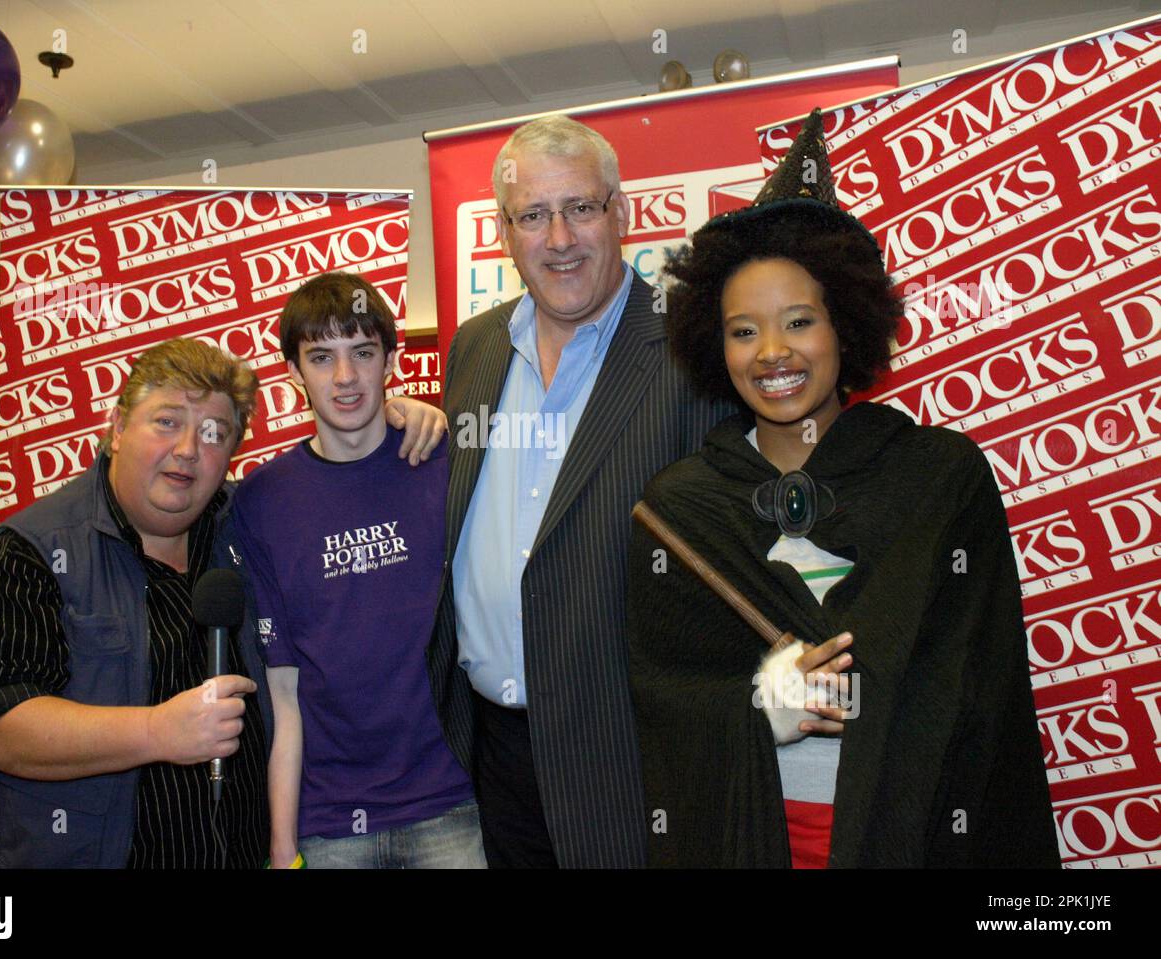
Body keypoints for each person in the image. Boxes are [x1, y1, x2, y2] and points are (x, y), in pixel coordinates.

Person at [626, 110, 1060, 868]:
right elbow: (663, 701)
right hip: (749, 833)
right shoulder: (681, 508)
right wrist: (762, 704)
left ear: (846, 328)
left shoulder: (937, 479)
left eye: (799, 321)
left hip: (912, 835)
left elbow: (978, 694)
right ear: (711, 342)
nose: (772, 353)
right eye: (742, 330)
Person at [0, 337, 445, 868]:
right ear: (116, 429)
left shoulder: (248, 525)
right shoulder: (31, 550)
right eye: (167, 422)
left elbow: (338, 490)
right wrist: (156, 732)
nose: (187, 449)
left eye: (213, 433)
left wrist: (395, 419)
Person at [432, 114, 734, 867]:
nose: (559, 238)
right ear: (505, 232)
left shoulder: (689, 350)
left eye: (580, 208)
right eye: (533, 215)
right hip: (483, 750)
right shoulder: (475, 346)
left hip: (625, 753)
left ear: (622, 213)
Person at [233, 272, 483, 869]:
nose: (345, 379)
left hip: (454, 804)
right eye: (322, 357)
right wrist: (281, 848)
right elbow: (283, 696)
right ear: (294, 372)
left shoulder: (445, 463)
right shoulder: (261, 502)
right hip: (328, 824)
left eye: (362, 353)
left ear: (391, 360)